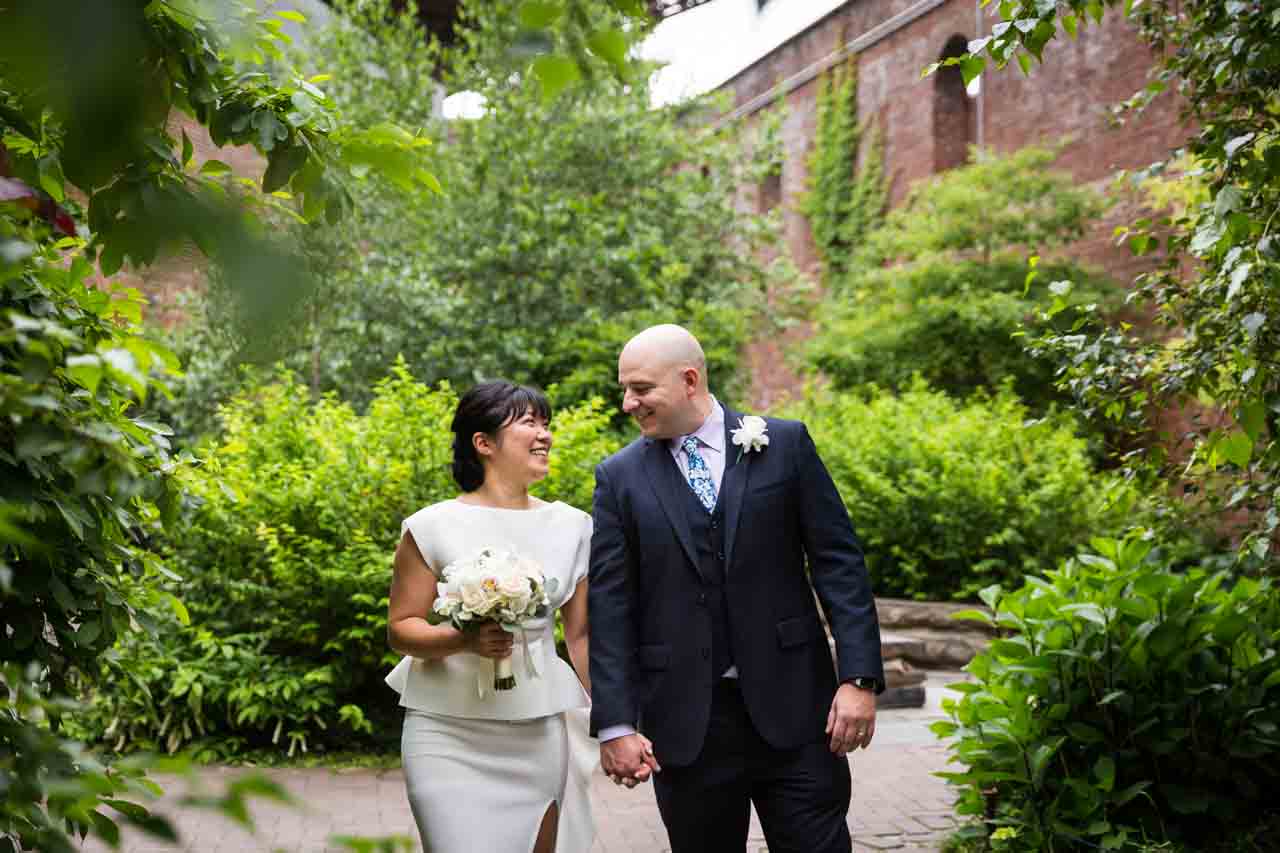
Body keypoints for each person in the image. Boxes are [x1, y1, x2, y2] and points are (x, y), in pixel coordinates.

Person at [588, 324, 885, 853]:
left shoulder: (785, 443)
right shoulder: (619, 477)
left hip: (797, 710)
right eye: (624, 390)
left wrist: (859, 678)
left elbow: (839, 563)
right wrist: (615, 723)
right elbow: (611, 607)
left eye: (640, 388)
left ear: (689, 379)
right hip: (687, 725)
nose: (629, 403)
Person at [385, 381, 604, 852]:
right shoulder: (430, 526)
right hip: (446, 734)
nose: (544, 434)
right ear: (483, 443)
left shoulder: (574, 527)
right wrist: (461, 640)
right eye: (529, 422)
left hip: (537, 732)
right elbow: (402, 628)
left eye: (546, 423)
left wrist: (615, 722)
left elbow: (580, 636)